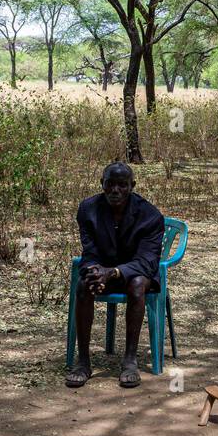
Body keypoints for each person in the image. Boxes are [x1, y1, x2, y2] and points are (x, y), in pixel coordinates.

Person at [69, 162, 164, 389]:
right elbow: (89, 251)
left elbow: (147, 262)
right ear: (101, 184)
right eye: (110, 184)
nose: (115, 190)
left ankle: (130, 360)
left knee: (138, 284)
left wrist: (112, 272)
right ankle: (83, 362)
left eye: (122, 185)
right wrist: (94, 271)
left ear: (132, 186)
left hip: (135, 274)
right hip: (102, 272)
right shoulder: (88, 209)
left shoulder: (150, 215)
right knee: (83, 285)